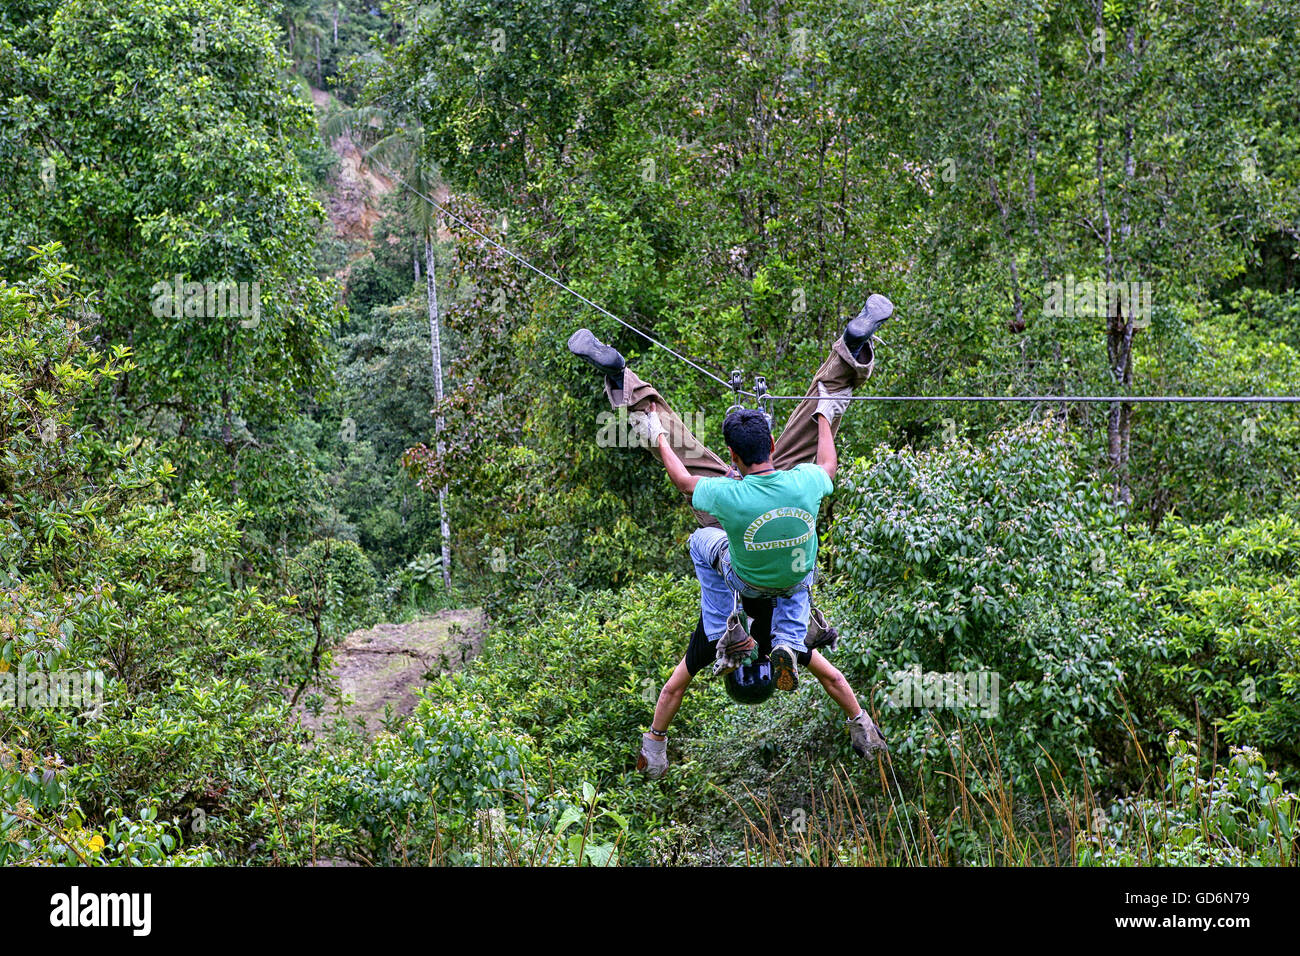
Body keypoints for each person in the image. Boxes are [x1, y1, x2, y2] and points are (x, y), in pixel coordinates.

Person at [568, 295, 894, 778]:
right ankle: (624, 381)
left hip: (766, 495)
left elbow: (835, 680)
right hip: (750, 503)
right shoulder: (716, 647)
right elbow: (672, 690)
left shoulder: (797, 647)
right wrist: (653, 742)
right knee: (684, 464)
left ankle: (849, 350)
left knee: (820, 410)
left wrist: (861, 720)